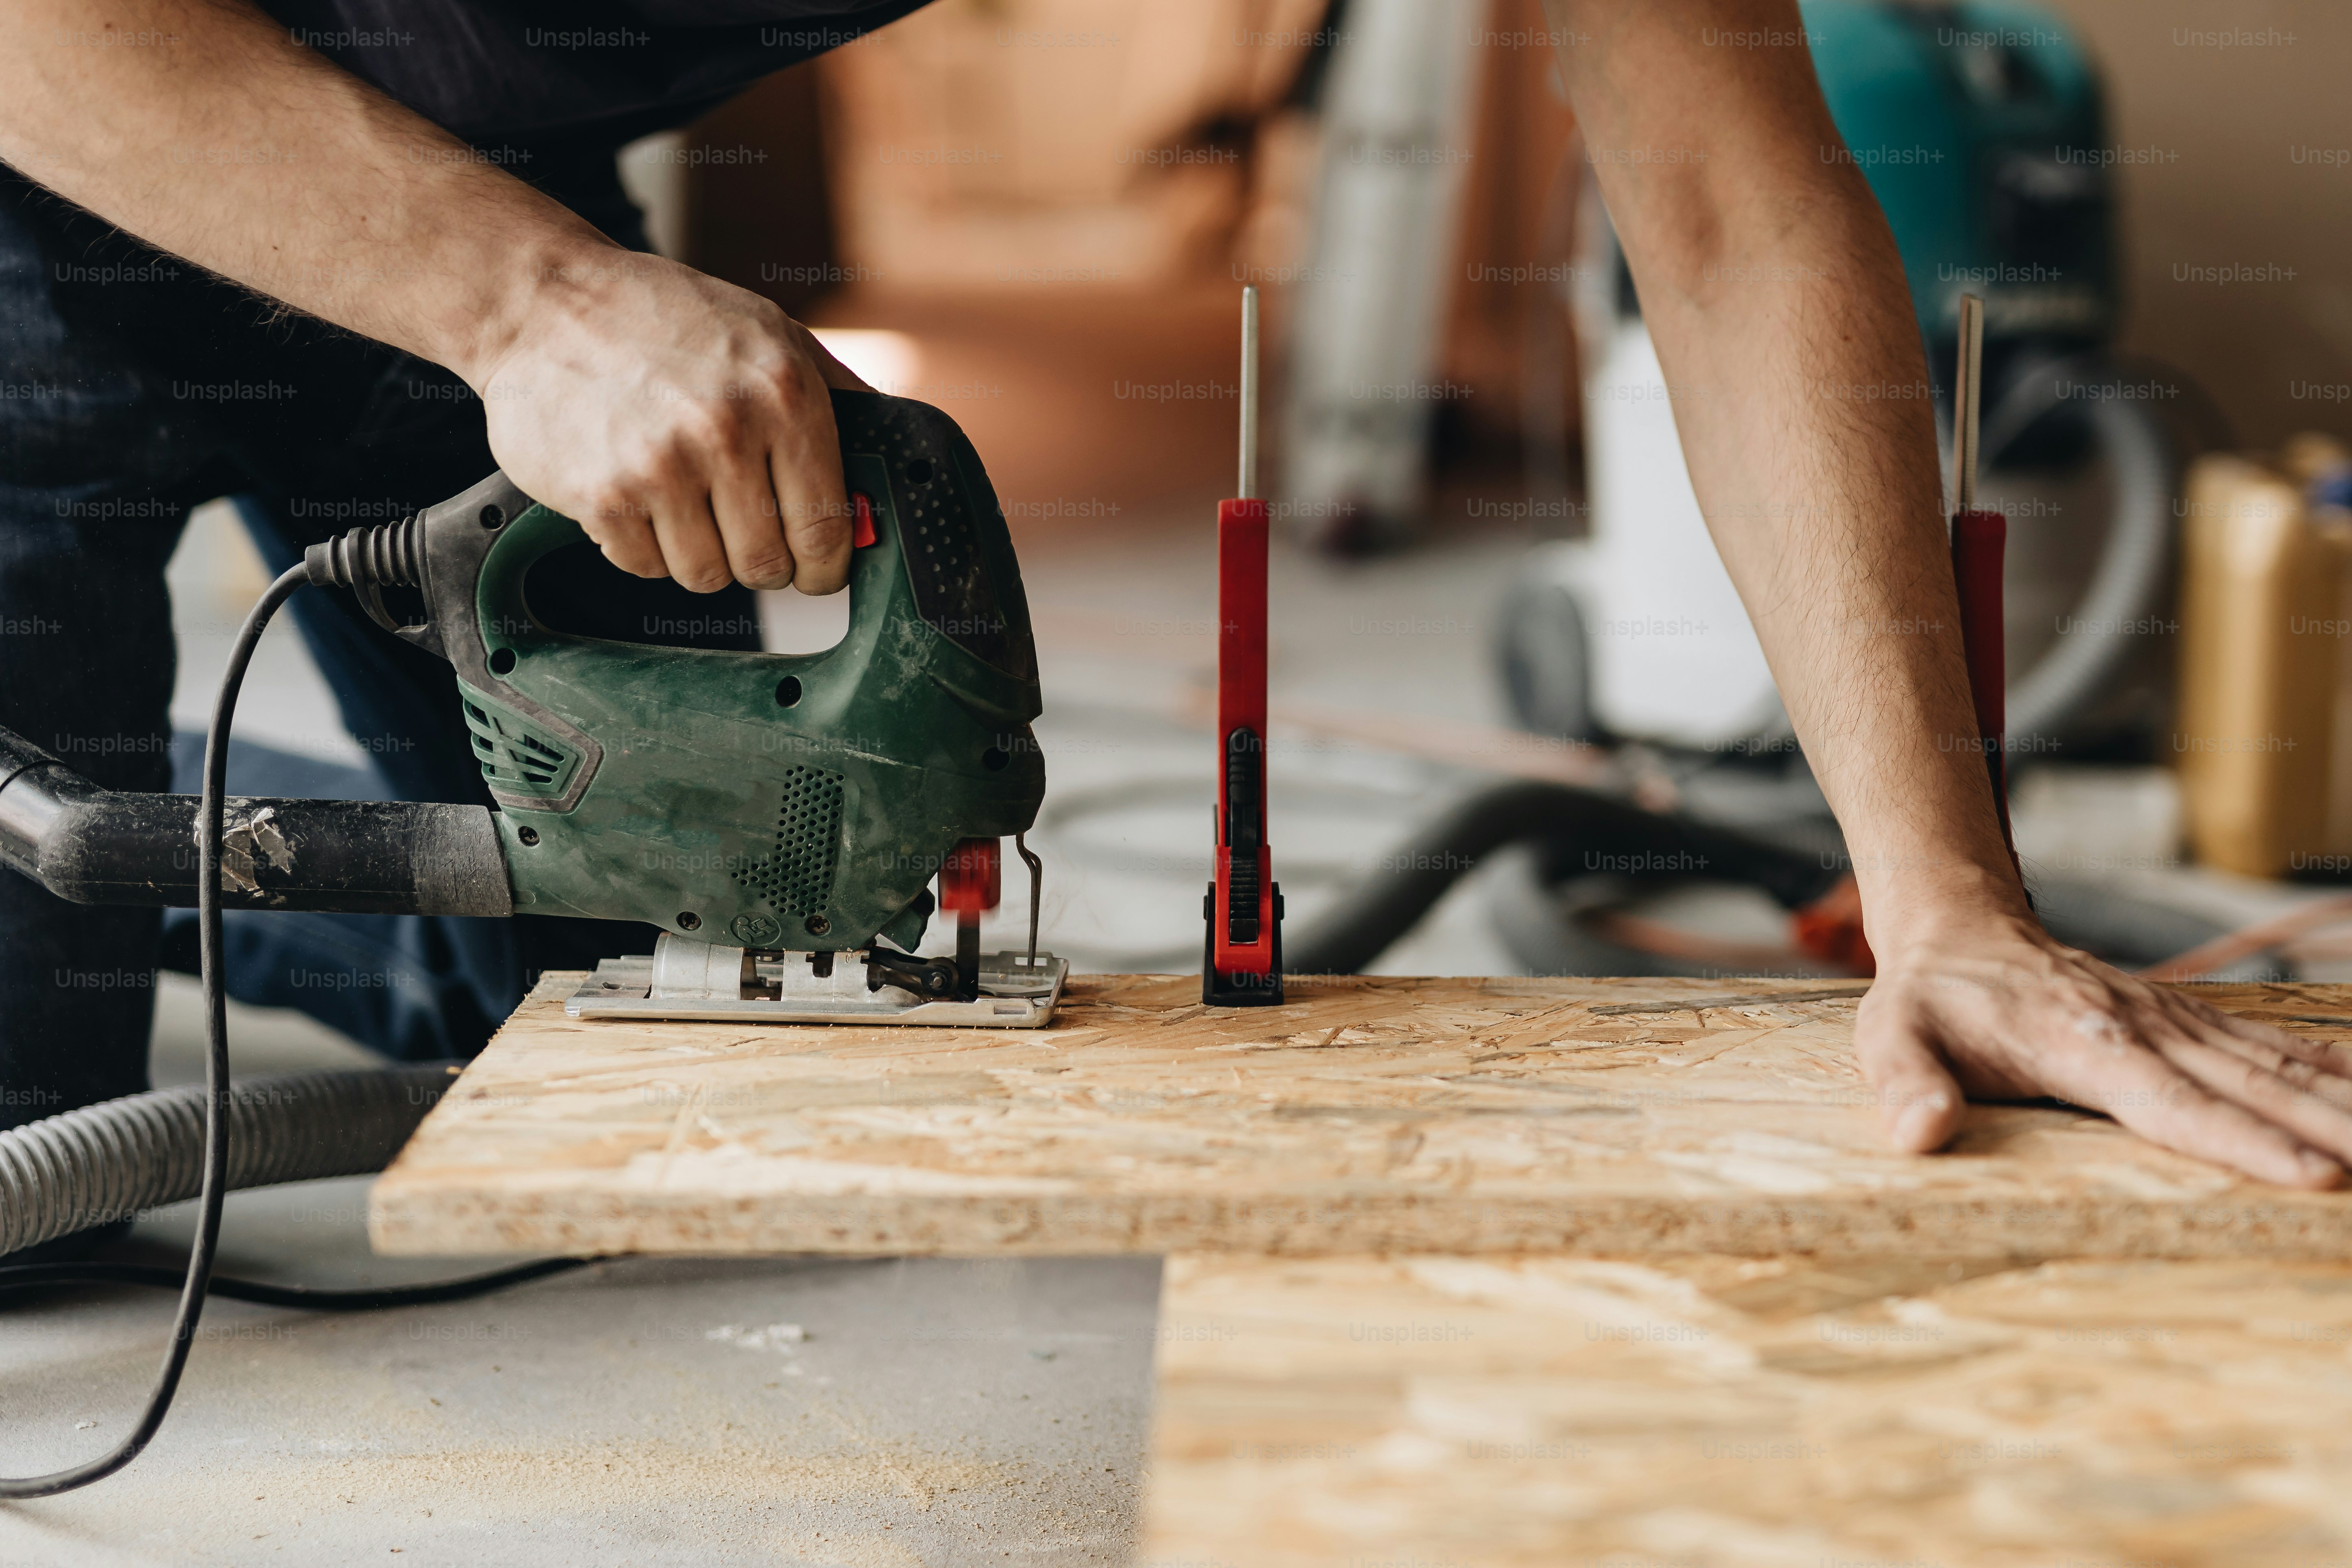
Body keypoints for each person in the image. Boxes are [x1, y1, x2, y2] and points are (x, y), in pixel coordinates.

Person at [2, 0, 2347, 1188]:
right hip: (69, 121)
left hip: (467, 113)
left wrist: (1944, 895)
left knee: (663, 1011)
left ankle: (177, 862)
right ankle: (68, 849)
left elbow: (1731, 205)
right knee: (49, 1221)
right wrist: (519, 310)